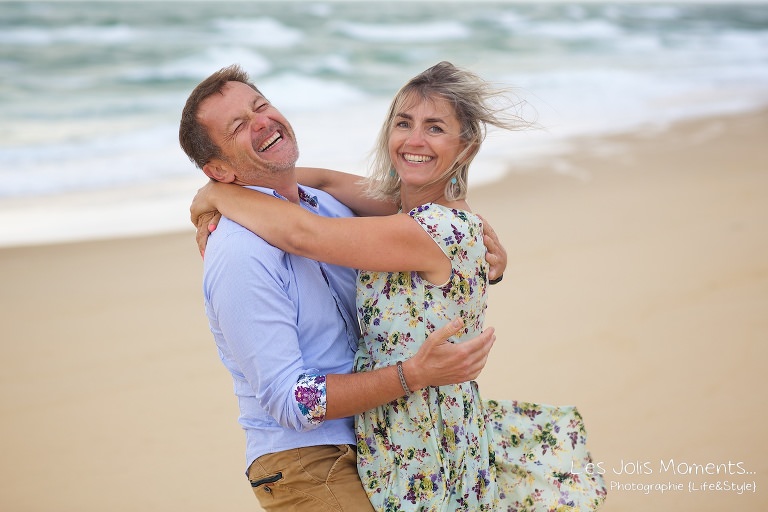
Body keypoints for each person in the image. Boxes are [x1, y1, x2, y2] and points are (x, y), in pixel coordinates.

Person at [191, 62, 607, 511]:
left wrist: (218, 193)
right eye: (403, 123)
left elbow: (304, 235)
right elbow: (292, 400)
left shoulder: (425, 227)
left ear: (466, 146)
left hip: (409, 444)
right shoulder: (264, 240)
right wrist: (220, 190)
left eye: (261, 106)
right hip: (320, 457)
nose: (414, 140)